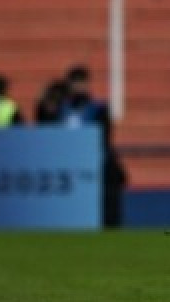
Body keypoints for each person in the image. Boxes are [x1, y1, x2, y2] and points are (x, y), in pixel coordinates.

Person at [63, 65, 127, 227]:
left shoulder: (98, 108)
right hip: (68, 163)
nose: (78, 86)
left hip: (95, 162)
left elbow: (104, 137)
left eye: (81, 82)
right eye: (75, 82)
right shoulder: (62, 108)